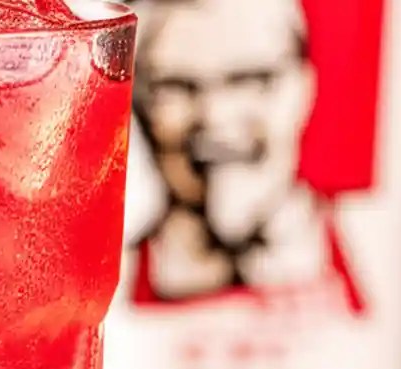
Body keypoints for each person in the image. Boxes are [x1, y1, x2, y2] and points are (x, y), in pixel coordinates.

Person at [127, 0, 365, 314]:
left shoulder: (378, 257)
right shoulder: (96, 284)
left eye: (250, 80)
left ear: (304, 86)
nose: (215, 117)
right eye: (175, 87)